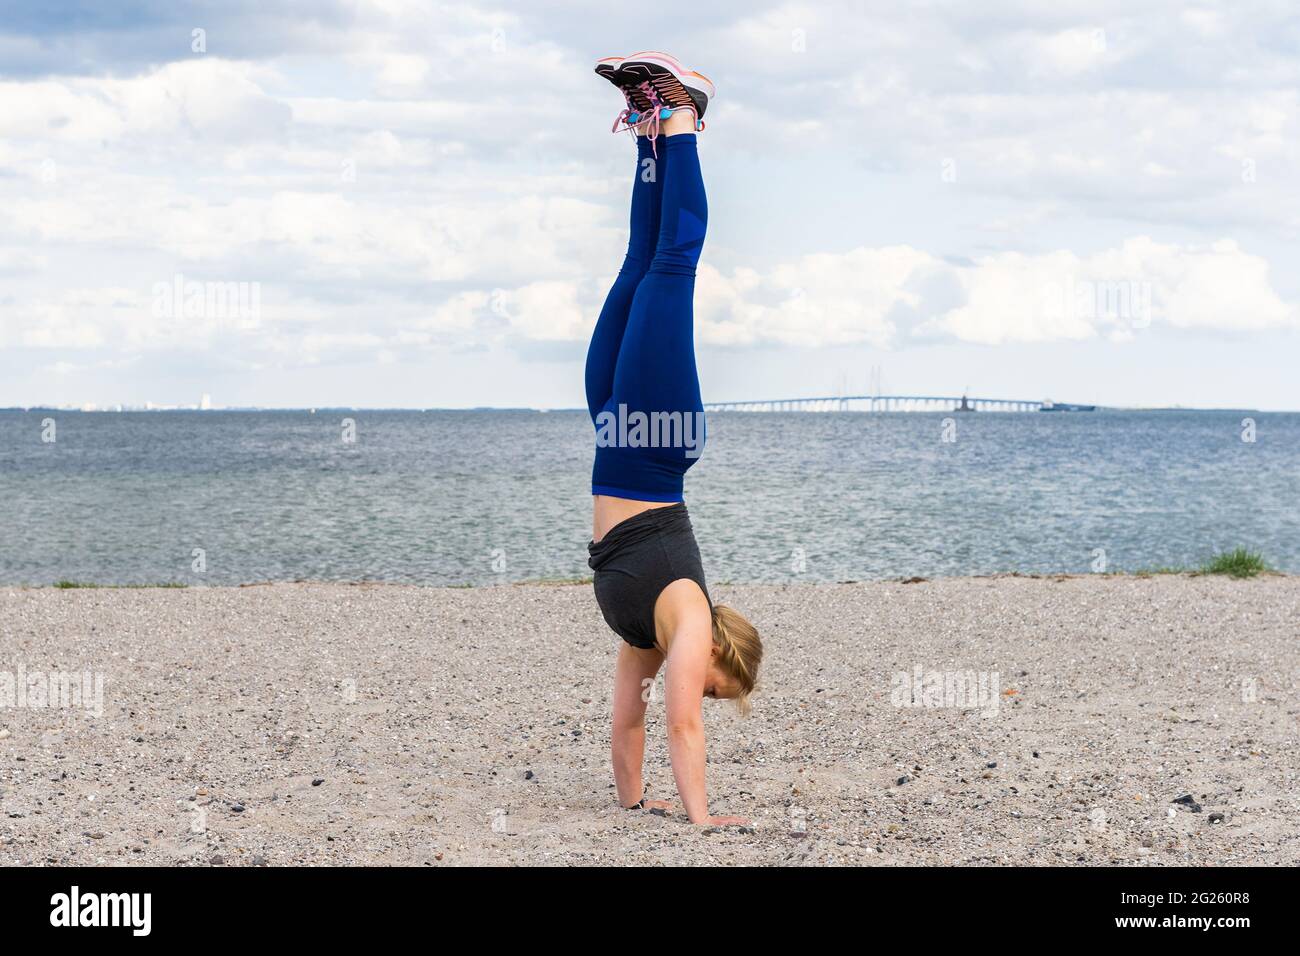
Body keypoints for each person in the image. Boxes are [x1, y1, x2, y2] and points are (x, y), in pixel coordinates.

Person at [584, 52, 763, 827]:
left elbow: (630, 721)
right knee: (673, 264)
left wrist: (635, 801)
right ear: (722, 656)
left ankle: (651, 129)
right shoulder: (689, 621)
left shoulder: (644, 632)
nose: (703, 696)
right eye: (719, 689)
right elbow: (681, 725)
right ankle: (688, 116)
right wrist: (701, 818)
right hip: (656, 442)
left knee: (635, 266)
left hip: (615, 435)